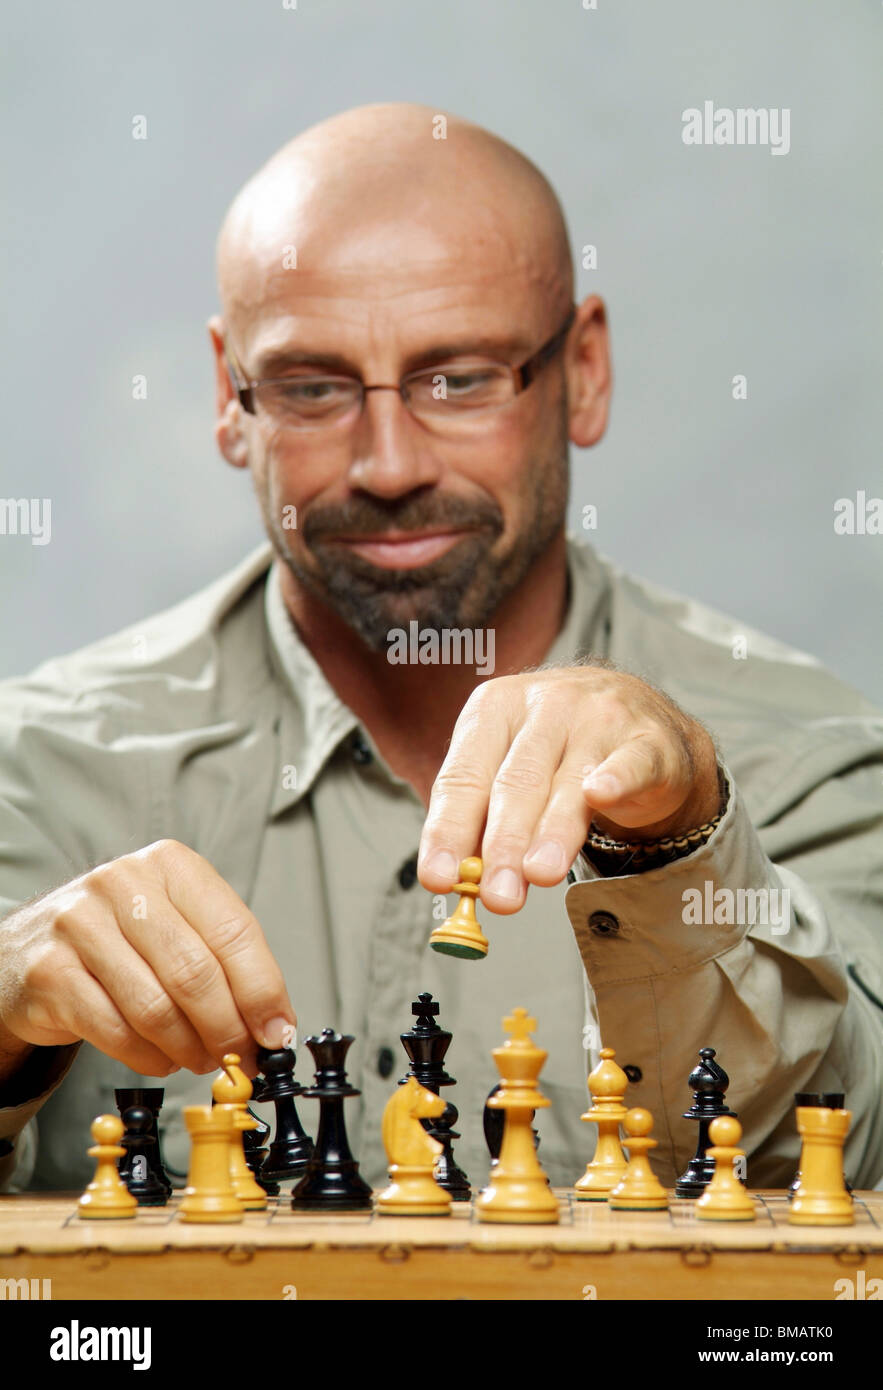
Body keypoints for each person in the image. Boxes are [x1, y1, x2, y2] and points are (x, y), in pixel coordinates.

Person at [1, 103, 880, 1194]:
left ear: (586, 371)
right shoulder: (31, 774)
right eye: (312, 387)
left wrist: (680, 843)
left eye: (458, 378)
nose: (388, 463)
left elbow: (848, 1154)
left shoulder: (809, 753)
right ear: (229, 398)